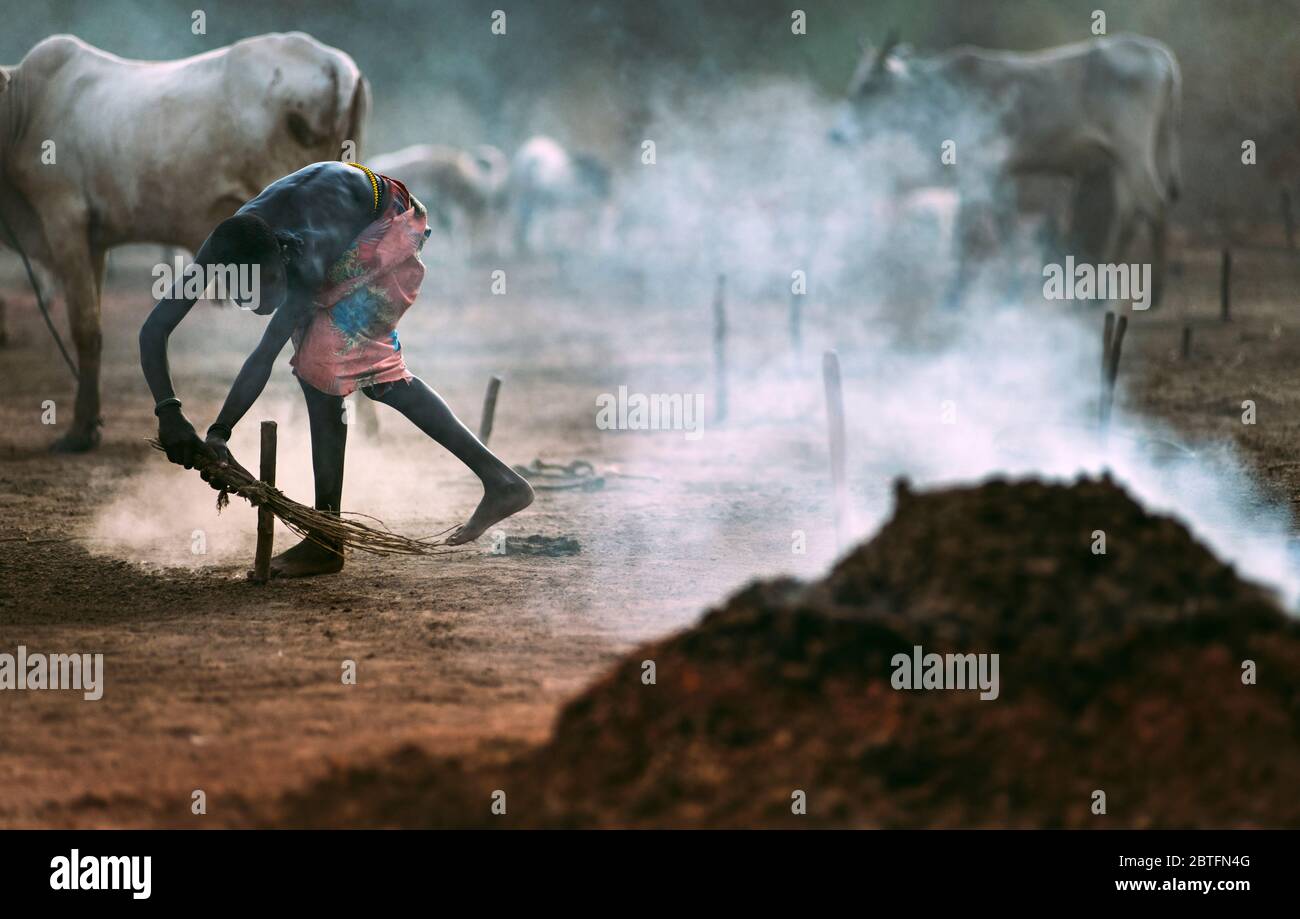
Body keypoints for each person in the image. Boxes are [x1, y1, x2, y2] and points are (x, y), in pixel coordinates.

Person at [139, 161, 533, 577]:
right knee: (325, 365)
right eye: (244, 296)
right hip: (345, 217)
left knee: (326, 362)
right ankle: (333, 534)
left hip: (389, 223)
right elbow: (153, 330)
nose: (257, 304)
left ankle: (328, 539)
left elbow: (264, 354)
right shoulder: (224, 249)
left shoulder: (307, 259)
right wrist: (168, 410)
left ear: (282, 261)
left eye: (270, 288)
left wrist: (219, 432)